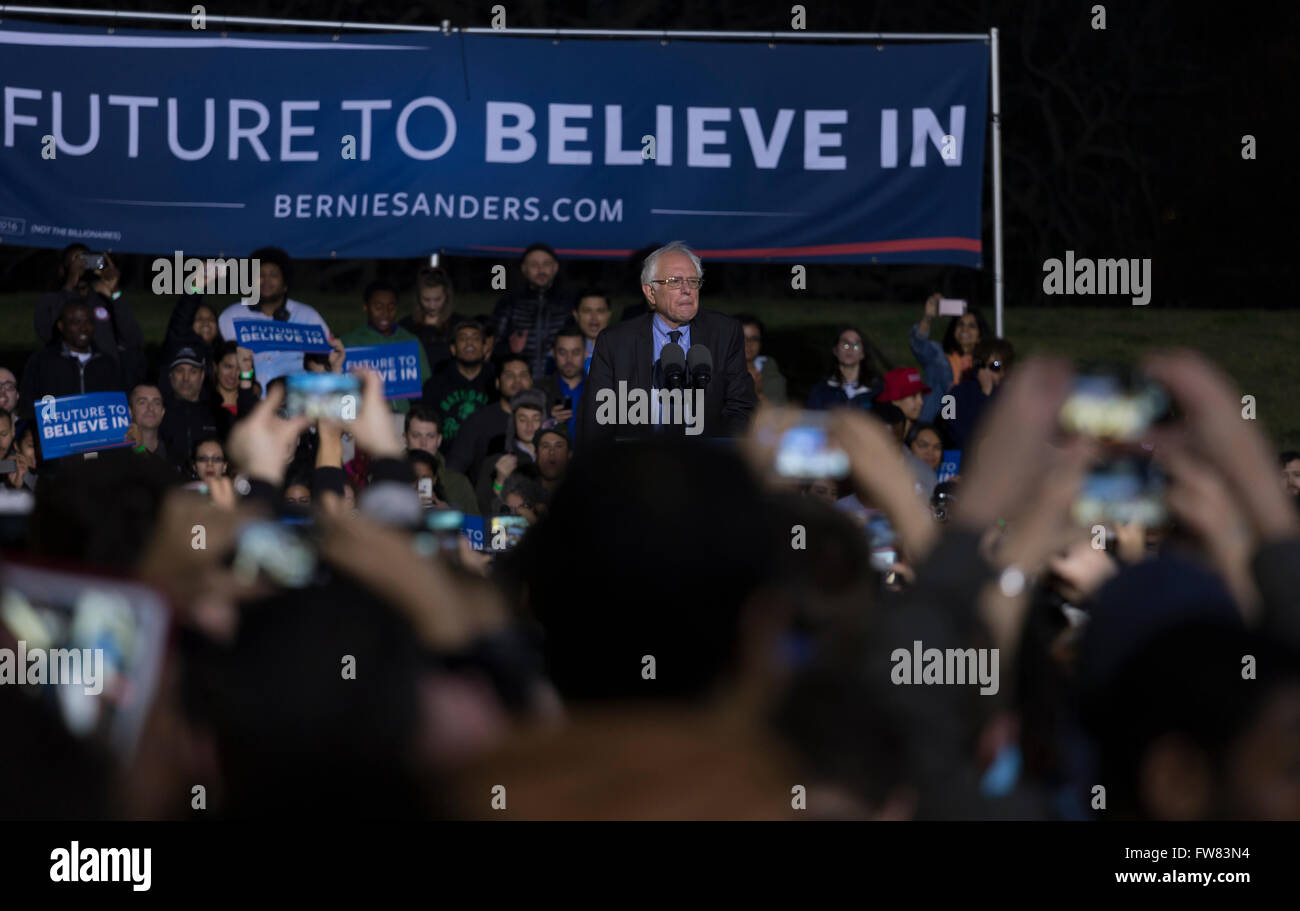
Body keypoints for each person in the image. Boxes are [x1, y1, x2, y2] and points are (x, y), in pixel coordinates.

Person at [578, 241, 757, 445]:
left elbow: (741, 408)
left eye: (693, 281)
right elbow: (597, 419)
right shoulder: (615, 342)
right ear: (650, 292)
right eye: (674, 281)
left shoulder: (725, 332)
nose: (687, 290)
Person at [216, 247, 331, 389]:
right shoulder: (232, 316)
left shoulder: (308, 316)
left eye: (274, 275)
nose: (266, 281)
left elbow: (327, 363)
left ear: (285, 285)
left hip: (296, 401)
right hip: (247, 399)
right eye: (260, 275)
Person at [34, 243, 145, 389]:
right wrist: (69, 287)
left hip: (107, 379)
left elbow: (133, 339)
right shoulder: (51, 300)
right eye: (76, 260)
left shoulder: (103, 299)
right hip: (66, 379)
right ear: (63, 269)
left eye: (87, 259)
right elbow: (48, 334)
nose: (82, 264)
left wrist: (115, 294)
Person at [19, 298, 128, 418]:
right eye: (76, 322)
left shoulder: (107, 363)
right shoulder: (42, 362)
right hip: (56, 434)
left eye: (88, 322)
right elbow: (28, 405)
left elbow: (117, 405)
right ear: (61, 326)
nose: (84, 328)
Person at [340, 280, 432, 415]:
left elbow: (426, 384)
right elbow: (341, 389)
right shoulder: (349, 343)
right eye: (378, 307)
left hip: (403, 420)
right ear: (366, 307)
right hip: (363, 420)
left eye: (391, 307)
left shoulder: (410, 341)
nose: (385, 313)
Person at [492, 242, 577, 379]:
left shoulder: (569, 303)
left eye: (546, 264)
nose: (541, 270)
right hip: (520, 382)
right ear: (524, 269)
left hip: (559, 382)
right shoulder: (509, 302)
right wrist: (510, 349)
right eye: (534, 265)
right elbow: (492, 346)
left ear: (555, 268)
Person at [445, 355, 533, 484]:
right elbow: (454, 470)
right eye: (509, 375)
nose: (517, 381)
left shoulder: (543, 421)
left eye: (523, 375)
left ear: (531, 382)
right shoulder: (477, 421)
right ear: (497, 383)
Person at [910, 295, 991, 424]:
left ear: (980, 335)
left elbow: (1000, 369)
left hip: (970, 426)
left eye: (972, 326)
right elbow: (918, 344)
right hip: (935, 424)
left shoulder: (985, 361)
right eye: (960, 324)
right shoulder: (938, 355)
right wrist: (928, 317)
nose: (965, 329)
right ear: (953, 330)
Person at [420, 319, 494, 450]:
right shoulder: (434, 385)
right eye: (463, 338)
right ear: (453, 349)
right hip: (446, 459)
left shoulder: (497, 382)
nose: (469, 343)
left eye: (475, 338)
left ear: (485, 348)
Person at [476, 391, 546, 514]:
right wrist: (499, 481)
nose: (530, 426)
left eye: (536, 419)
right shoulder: (496, 461)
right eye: (523, 419)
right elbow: (482, 509)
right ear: (513, 422)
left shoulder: (556, 460)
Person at [157, 347, 224, 475]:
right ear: (171, 375)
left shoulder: (218, 414)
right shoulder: (158, 413)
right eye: (180, 371)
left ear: (202, 375)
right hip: (170, 488)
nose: (186, 378)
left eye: (193, 371)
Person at [402, 407, 478, 515]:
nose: (423, 444)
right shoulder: (388, 478)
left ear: (439, 440)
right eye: (416, 436)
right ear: (405, 438)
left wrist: (450, 517)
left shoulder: (458, 483)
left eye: (430, 436)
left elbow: (477, 528)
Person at [945, 338, 1016, 450]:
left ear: (1005, 370)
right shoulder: (955, 393)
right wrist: (984, 395)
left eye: (995, 366)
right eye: (981, 364)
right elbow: (955, 433)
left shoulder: (1012, 397)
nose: (986, 371)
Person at [806, 326, 887, 412]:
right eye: (845, 344)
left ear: (863, 354)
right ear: (835, 350)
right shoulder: (821, 390)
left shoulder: (878, 390)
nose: (850, 349)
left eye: (855, 345)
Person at [397, 266, 461, 375]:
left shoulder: (459, 324)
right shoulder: (405, 326)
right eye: (426, 300)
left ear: (447, 296)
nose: (432, 305)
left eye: (437, 299)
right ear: (418, 297)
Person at [535, 325, 585, 442]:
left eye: (576, 352)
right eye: (563, 352)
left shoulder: (601, 389)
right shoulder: (538, 390)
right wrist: (549, 421)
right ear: (553, 353)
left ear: (585, 353)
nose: (569, 360)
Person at [736, 314, 788, 405]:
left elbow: (779, 414)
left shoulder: (771, 373)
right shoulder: (714, 370)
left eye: (754, 339)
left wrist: (758, 393)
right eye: (742, 338)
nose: (748, 344)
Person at [875, 367, 931, 445]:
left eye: (921, 395)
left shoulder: (926, 435)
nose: (921, 402)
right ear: (894, 399)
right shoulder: (876, 434)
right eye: (913, 396)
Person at [573, 289, 612, 374]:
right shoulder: (563, 352)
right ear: (576, 315)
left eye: (600, 311)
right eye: (587, 311)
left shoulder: (623, 351)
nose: (594, 318)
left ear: (608, 314)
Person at [534, 426, 572, 497]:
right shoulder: (521, 495)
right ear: (536, 454)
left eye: (559, 446)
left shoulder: (584, 496)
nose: (552, 452)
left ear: (569, 454)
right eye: (545, 446)